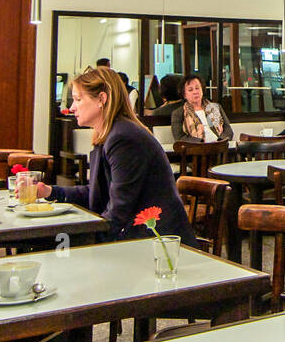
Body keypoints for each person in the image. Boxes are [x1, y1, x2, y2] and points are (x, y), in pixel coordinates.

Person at [37, 66, 195, 244]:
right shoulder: (110, 134)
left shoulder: (123, 138)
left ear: (101, 99)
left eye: (78, 99)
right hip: (139, 237)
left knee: (50, 244)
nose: (72, 108)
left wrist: (74, 240)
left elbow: (119, 211)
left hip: (158, 243)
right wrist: (50, 192)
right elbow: (97, 192)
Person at [171, 73, 234, 144]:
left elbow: (228, 130)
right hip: (196, 148)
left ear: (202, 90)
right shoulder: (178, 113)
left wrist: (221, 141)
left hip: (219, 146)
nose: (195, 92)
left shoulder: (213, 107)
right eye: (190, 90)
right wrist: (200, 143)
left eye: (197, 88)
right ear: (184, 95)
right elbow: (179, 137)